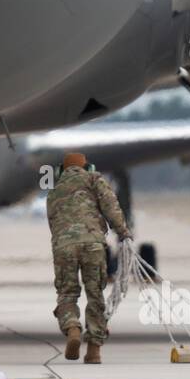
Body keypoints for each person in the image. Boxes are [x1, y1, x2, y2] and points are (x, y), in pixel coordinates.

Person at [46, 152, 131, 364]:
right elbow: (111, 207)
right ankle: (94, 351)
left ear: (61, 171)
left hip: (64, 246)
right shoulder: (94, 179)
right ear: (88, 168)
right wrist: (123, 232)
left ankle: (73, 328)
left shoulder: (54, 191)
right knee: (95, 295)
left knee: (67, 293)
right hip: (93, 244)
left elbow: (53, 223)